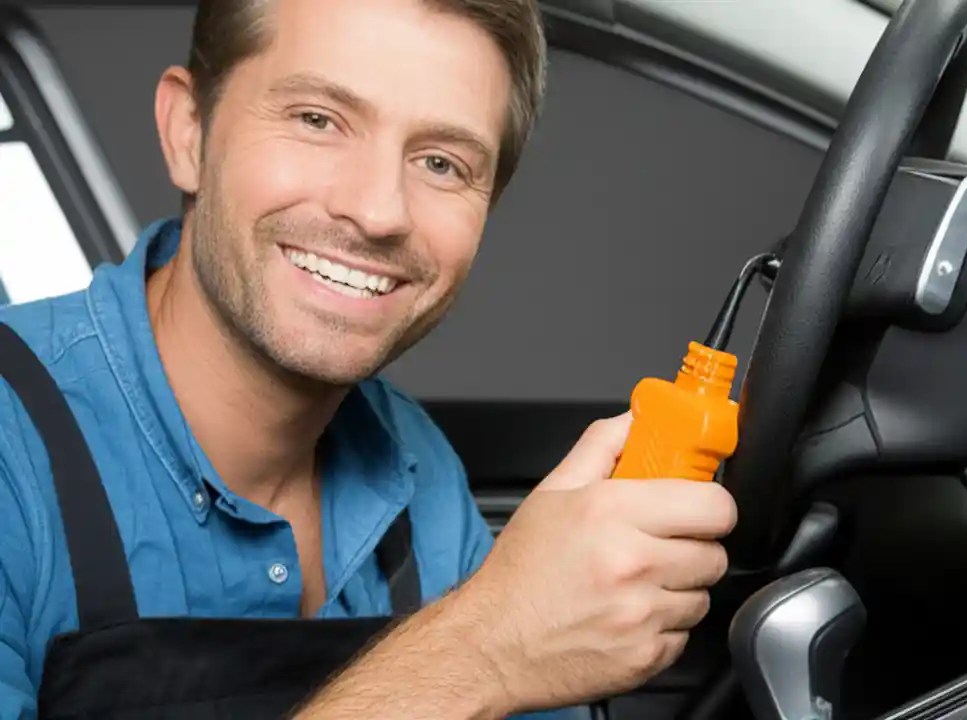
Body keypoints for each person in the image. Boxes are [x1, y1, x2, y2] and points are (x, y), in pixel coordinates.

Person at [0, 0, 738, 717]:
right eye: (318, 120)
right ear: (189, 131)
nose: (379, 210)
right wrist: (481, 649)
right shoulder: (12, 447)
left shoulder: (418, 473)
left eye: (442, 163)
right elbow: (493, 647)